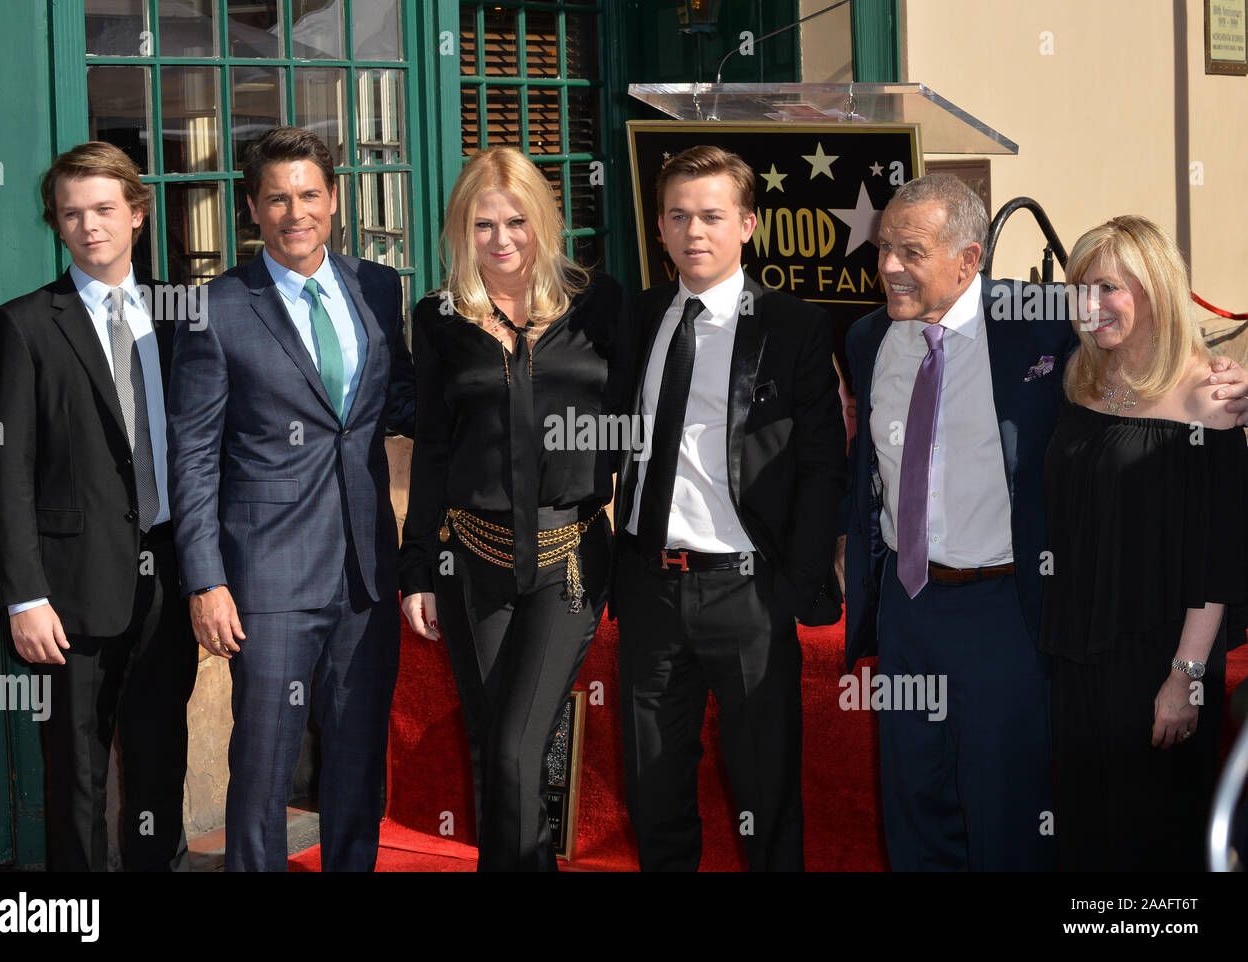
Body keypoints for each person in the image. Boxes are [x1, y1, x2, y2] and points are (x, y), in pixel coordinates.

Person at [841, 174, 1247, 872]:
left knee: (1008, 816)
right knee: (915, 806)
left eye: (910, 250)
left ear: (969, 259)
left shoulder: (1037, 324)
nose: (888, 268)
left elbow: (1150, 346)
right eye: (882, 249)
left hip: (1007, 612)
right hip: (906, 614)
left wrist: (1229, 381)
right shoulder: (867, 338)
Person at [167, 126, 415, 871]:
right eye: (277, 198)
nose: (295, 212)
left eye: (309, 194)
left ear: (334, 200)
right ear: (252, 209)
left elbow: (397, 402)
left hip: (368, 570)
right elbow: (193, 455)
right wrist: (205, 579)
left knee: (356, 762)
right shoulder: (216, 306)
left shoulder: (379, 286)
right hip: (268, 575)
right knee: (265, 767)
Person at [612, 145, 846, 872]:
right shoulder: (641, 314)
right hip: (650, 586)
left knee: (764, 790)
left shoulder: (793, 326)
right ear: (658, 226)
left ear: (747, 224)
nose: (695, 232)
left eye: (712, 216)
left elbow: (821, 465)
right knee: (653, 790)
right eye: (678, 216)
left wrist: (787, 589)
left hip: (747, 590)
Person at [398, 147, 624, 871]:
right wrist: (416, 571)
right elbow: (433, 446)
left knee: (514, 747)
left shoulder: (600, 302)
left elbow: (637, 418)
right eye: (482, 224)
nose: (501, 240)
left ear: (544, 222)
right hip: (470, 560)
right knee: (494, 743)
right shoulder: (436, 317)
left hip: (570, 559)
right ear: (460, 230)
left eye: (516, 222)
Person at [0, 142, 195, 871]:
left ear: (136, 213)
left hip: (172, 572)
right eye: (71, 214)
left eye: (105, 209)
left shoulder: (183, 314)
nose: (89, 226)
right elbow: (9, 473)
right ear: (56, 225)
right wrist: (24, 597)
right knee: (75, 770)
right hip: (69, 588)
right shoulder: (25, 324)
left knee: (160, 753)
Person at [1039, 215, 1247, 871]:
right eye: (1080, 289)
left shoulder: (1210, 398)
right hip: (1077, 653)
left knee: (1153, 840)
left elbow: (1220, 555)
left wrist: (1184, 677)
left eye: (1108, 289)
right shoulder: (1079, 379)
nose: (1088, 307)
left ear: (1155, 291)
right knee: (1086, 836)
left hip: (1160, 659)